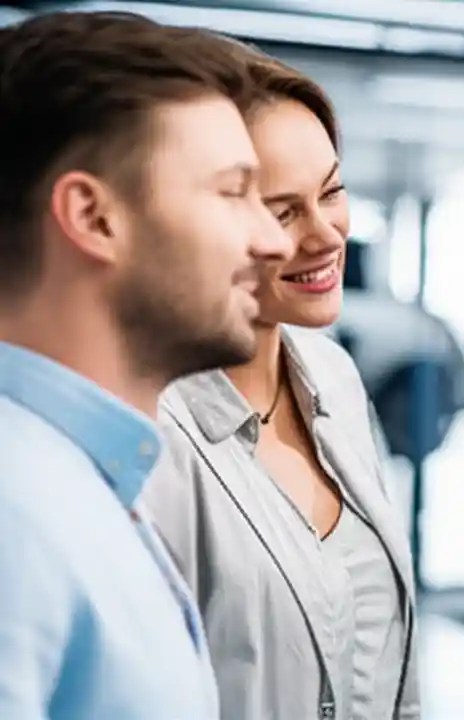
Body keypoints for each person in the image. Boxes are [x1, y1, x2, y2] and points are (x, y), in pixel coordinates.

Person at [0, 11, 292, 720]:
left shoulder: (82, 484)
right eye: (233, 191)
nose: (275, 241)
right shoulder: (16, 512)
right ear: (93, 217)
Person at [143, 44, 422, 720]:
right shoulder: (149, 428)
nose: (327, 235)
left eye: (331, 192)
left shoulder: (332, 375)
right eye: (282, 210)